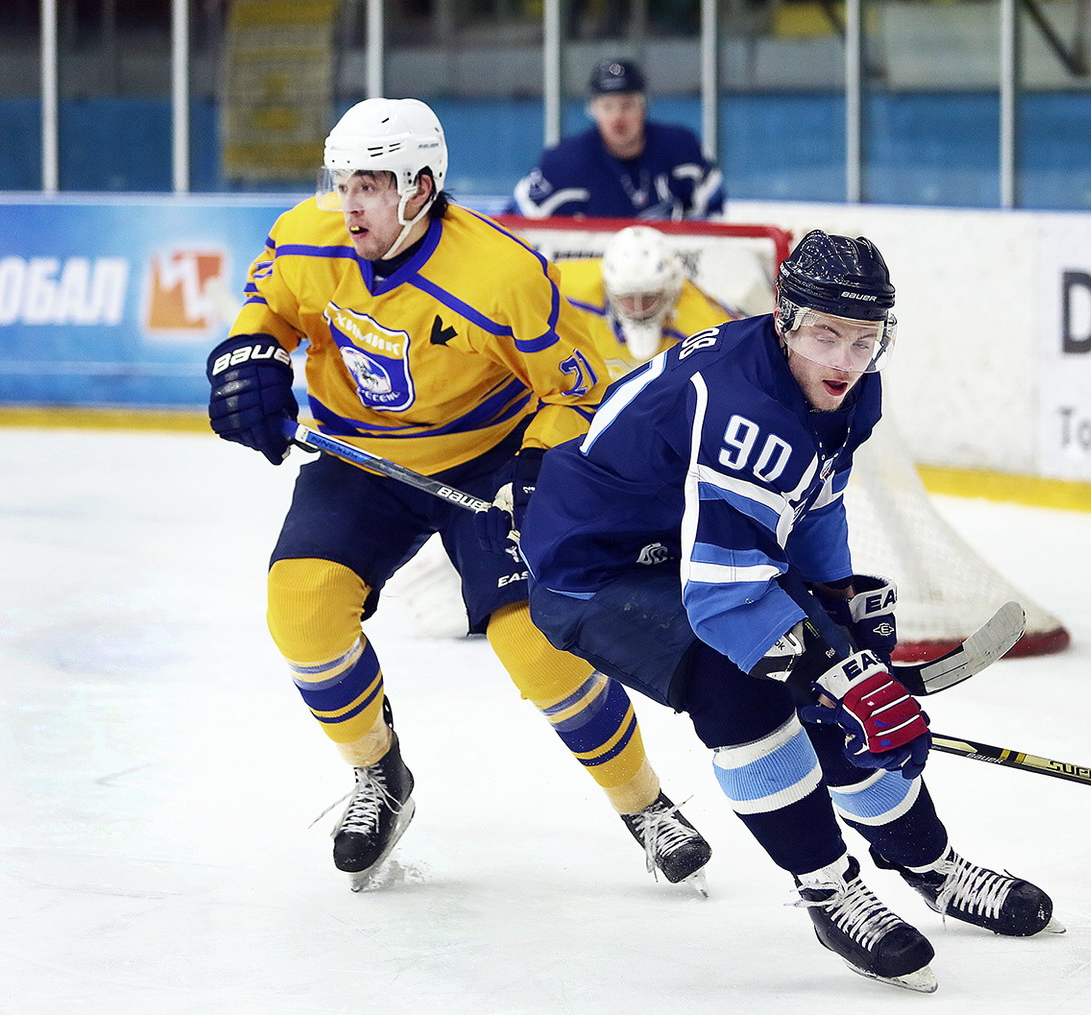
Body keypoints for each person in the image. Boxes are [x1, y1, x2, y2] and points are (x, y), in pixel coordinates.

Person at [521, 230, 1059, 992]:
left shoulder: (847, 387)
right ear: (785, 320)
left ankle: (930, 865)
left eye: (865, 340)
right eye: (825, 335)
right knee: (739, 686)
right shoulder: (746, 405)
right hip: (594, 567)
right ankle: (829, 888)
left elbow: (812, 502)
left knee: (841, 682)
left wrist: (837, 605)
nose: (844, 360)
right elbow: (720, 597)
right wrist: (834, 670)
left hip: (684, 541)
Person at [205, 96, 711, 891]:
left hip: (488, 459)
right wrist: (248, 356)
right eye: (341, 182)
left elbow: (578, 391)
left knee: (536, 644)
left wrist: (541, 468)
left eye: (369, 185)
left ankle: (644, 804)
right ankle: (380, 777)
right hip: (362, 457)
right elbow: (272, 306)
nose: (348, 203)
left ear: (422, 185)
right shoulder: (308, 231)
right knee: (300, 607)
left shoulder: (501, 274)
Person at [507, 58, 725, 220]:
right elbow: (517, 219)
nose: (617, 118)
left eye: (627, 105)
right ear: (593, 110)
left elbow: (712, 215)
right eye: (607, 107)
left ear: (644, 106)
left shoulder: (681, 148)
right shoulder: (564, 162)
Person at [556, 224, 739, 378]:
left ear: (672, 287)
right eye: (627, 298)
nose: (638, 309)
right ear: (608, 288)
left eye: (648, 298)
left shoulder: (708, 326)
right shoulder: (566, 289)